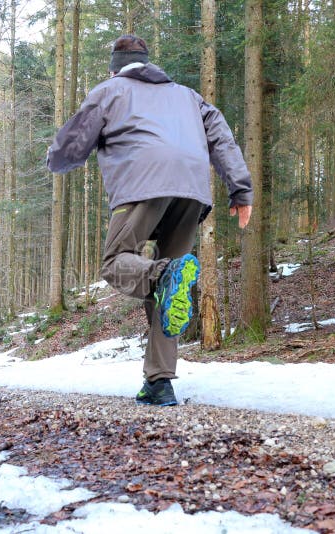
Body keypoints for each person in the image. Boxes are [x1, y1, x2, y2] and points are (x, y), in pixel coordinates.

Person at [47, 35, 252, 406]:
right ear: (148, 63)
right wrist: (240, 191)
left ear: (114, 67)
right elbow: (221, 135)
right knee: (167, 282)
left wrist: (55, 160)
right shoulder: (189, 96)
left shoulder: (110, 90)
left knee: (118, 262)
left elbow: (72, 146)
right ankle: (160, 382)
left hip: (143, 185)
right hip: (191, 191)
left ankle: (162, 277)